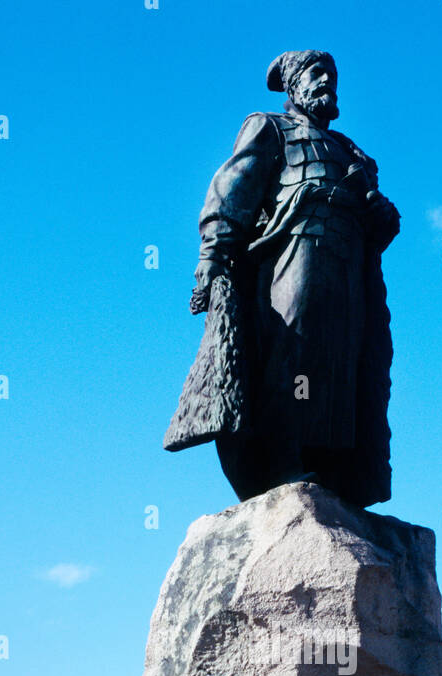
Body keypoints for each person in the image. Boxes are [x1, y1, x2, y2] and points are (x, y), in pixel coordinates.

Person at [166, 50, 401, 508]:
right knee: (296, 348)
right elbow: (230, 192)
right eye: (316, 74)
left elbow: (381, 229)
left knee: (346, 360)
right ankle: (281, 459)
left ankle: (332, 466)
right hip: (293, 254)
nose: (326, 82)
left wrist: (383, 215)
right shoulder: (269, 128)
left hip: (348, 266)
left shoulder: (353, 152)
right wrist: (211, 258)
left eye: (332, 75)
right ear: (293, 85)